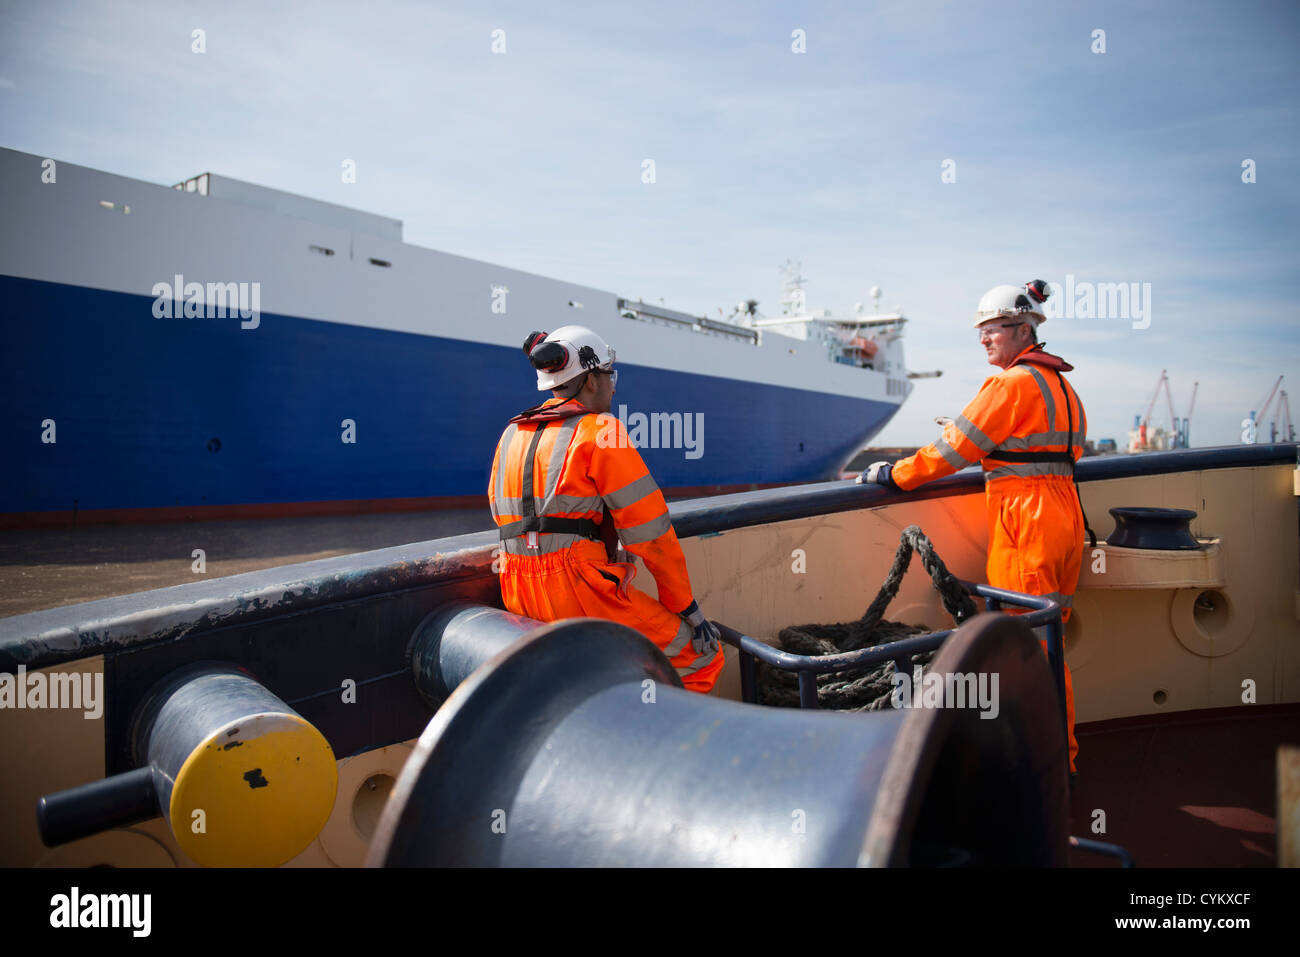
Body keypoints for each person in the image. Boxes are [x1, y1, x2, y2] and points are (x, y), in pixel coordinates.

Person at [858, 280, 1093, 773]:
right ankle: (1056, 757)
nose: (984, 339)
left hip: (1026, 523)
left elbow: (953, 451)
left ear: (1023, 329)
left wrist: (893, 473)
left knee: (1023, 644)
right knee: (1047, 637)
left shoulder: (1009, 385)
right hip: (1065, 517)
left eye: (992, 330)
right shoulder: (1061, 388)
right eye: (980, 332)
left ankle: (1046, 766)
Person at [488, 325, 725, 692]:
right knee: (700, 659)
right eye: (609, 375)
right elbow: (651, 534)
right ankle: (651, 749)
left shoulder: (511, 435)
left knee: (584, 681)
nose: (614, 386)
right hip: (578, 590)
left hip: (516, 589)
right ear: (592, 381)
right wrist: (685, 607)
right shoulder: (602, 431)